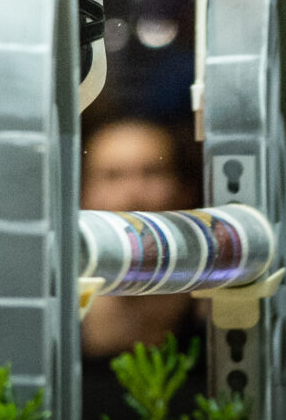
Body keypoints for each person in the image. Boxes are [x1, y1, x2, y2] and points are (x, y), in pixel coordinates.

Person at [76, 116, 199, 359]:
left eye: (152, 172)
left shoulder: (211, 309)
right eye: (112, 175)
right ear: (83, 193)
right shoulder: (54, 310)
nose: (133, 194)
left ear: (185, 190)